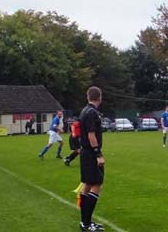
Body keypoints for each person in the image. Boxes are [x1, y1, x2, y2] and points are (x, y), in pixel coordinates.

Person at [78, 86, 106, 231]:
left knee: (87, 185)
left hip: (85, 153)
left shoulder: (84, 111)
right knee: (97, 184)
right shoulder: (92, 113)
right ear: (100, 98)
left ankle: (84, 222)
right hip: (90, 154)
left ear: (87, 96)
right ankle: (86, 224)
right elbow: (91, 135)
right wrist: (98, 154)